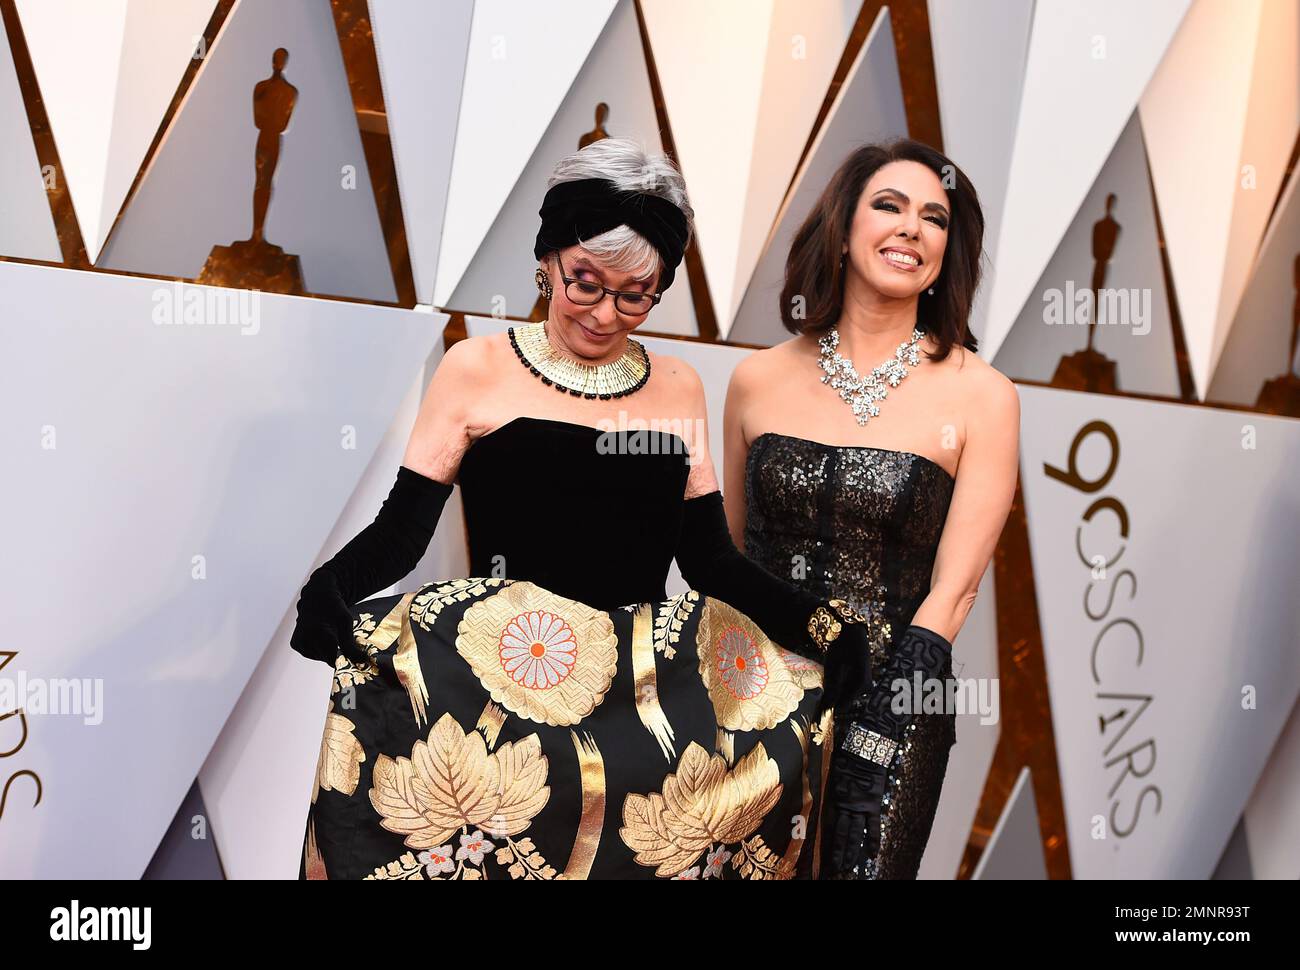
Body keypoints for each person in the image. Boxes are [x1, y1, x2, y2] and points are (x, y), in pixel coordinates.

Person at [289, 138, 872, 880]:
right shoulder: (476, 368)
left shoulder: (680, 386)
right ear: (548, 258)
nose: (604, 314)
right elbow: (403, 532)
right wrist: (329, 589)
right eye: (584, 283)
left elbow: (710, 561)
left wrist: (822, 625)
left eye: (635, 295)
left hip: (636, 712)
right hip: (497, 700)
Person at [723, 138, 1019, 878]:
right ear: (845, 225)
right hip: (747, 693)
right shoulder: (755, 381)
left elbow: (956, 589)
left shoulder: (982, 396)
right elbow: (723, 561)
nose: (911, 228)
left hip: (896, 700)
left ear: (950, 251)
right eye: (888, 206)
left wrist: (881, 722)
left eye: (935, 218)